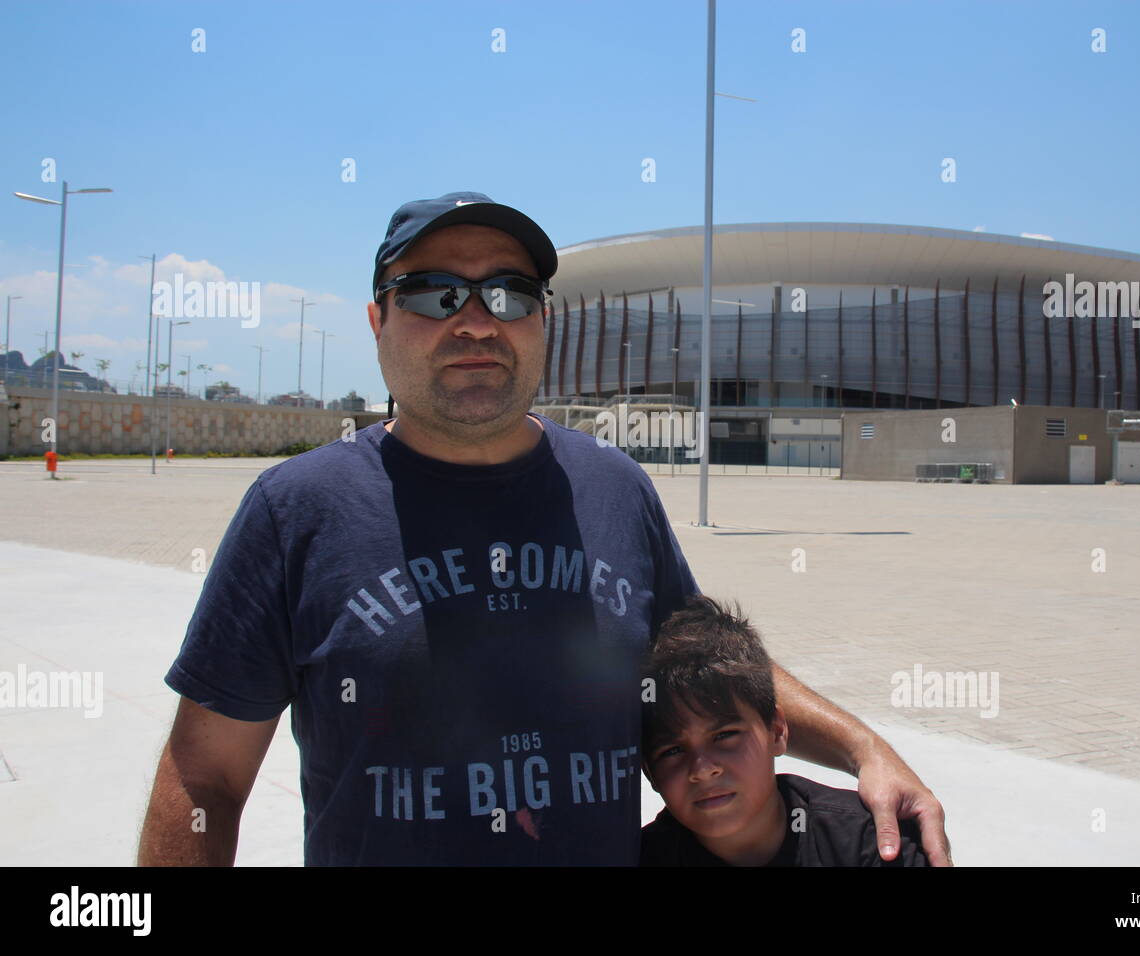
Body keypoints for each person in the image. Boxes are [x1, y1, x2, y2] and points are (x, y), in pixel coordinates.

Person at [137, 191, 951, 866]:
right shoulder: (296, 511)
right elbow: (205, 778)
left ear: (542, 321)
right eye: (433, 293)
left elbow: (716, 667)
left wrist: (862, 748)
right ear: (378, 319)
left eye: (508, 293)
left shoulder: (614, 489)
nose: (476, 321)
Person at [639, 595, 928, 866]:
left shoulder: (871, 844)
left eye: (725, 736)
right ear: (649, 771)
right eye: (673, 751)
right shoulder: (637, 857)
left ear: (777, 731)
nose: (702, 769)